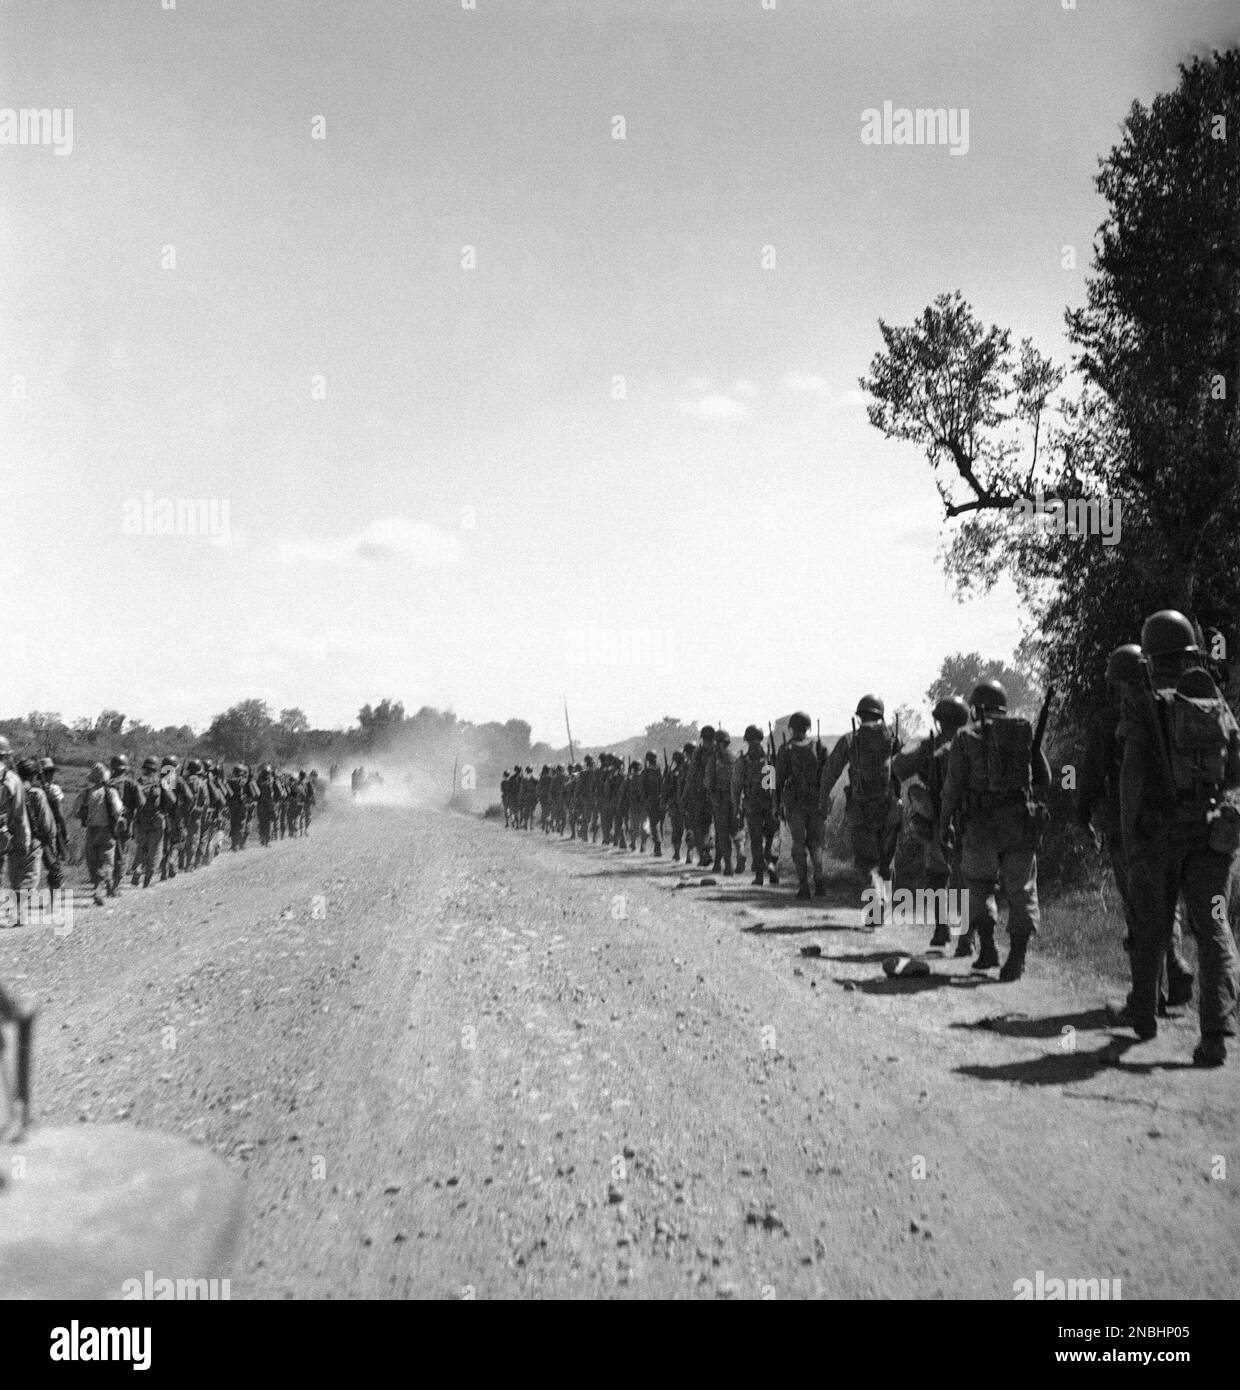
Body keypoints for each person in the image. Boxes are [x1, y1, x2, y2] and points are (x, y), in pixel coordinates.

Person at [1119, 610, 1240, 1065]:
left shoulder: (1143, 703)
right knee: (1213, 929)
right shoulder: (1213, 701)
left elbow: (1132, 778)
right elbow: (1235, 770)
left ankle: (1145, 1015)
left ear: (1149, 655)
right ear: (1191, 650)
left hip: (1158, 839)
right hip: (1210, 838)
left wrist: (1132, 842)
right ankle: (1215, 1035)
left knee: (1151, 925)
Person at [1078, 644, 1194, 1020]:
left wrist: (1080, 815)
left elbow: (1092, 776)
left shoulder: (1108, 720)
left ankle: (1146, 998)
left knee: (1140, 910)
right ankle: (1175, 970)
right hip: (1182, 822)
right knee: (1167, 905)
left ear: (1118, 682)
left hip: (1131, 824)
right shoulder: (1175, 708)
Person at [939, 679, 1050, 980]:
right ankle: (1017, 959)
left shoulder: (965, 737)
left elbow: (952, 787)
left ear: (976, 708)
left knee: (977, 886)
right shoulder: (1022, 732)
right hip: (1018, 823)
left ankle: (988, 949)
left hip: (980, 824)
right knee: (1022, 890)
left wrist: (944, 822)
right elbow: (1047, 778)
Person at [893, 696, 969, 949]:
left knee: (937, 876)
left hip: (939, 817)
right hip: (973, 817)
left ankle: (942, 929)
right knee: (973, 878)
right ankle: (968, 938)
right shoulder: (976, 742)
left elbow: (899, 767)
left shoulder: (929, 745)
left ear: (938, 720)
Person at [819, 695, 902, 923]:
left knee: (866, 862)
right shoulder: (892, 738)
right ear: (881, 714)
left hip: (861, 809)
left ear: (860, 715)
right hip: (889, 809)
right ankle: (880, 911)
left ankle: (876, 902)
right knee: (886, 862)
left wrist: (823, 797)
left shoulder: (850, 740)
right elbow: (904, 767)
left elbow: (831, 770)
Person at [775, 712, 825, 900]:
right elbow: (826, 775)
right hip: (816, 802)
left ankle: (804, 886)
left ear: (792, 728)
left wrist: (776, 804)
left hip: (795, 803)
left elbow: (778, 780)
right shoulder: (819, 747)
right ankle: (819, 880)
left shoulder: (785, 750)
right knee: (816, 843)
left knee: (799, 844)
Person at [74, 762, 123, 907]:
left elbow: (75, 812)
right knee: (107, 862)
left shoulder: (86, 793)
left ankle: (97, 887)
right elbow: (117, 810)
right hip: (106, 831)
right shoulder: (110, 791)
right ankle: (99, 890)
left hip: (90, 831)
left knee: (93, 863)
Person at [735, 726, 778, 887]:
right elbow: (776, 784)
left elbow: (737, 785)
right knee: (772, 837)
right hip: (767, 803)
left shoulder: (744, 760)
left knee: (757, 839)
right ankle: (771, 865)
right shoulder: (769, 758)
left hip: (753, 804)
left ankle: (760, 874)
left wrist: (737, 806)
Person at [108, 754, 144, 894]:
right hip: (125, 825)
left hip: (107, 826)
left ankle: (104, 882)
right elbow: (141, 803)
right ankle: (114, 887)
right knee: (122, 855)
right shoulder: (131, 783)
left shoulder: (107, 783)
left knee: (108, 854)